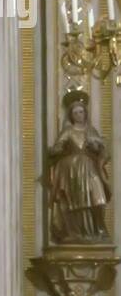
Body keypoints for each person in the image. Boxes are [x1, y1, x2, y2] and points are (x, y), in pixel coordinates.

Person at [47, 90, 112, 244]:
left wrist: (97, 146)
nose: (79, 115)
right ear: (71, 115)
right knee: (77, 202)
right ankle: (77, 233)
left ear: (85, 113)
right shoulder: (68, 131)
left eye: (81, 112)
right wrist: (57, 149)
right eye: (75, 113)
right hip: (72, 170)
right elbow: (57, 148)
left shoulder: (91, 131)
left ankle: (98, 230)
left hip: (90, 168)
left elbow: (103, 150)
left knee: (98, 199)